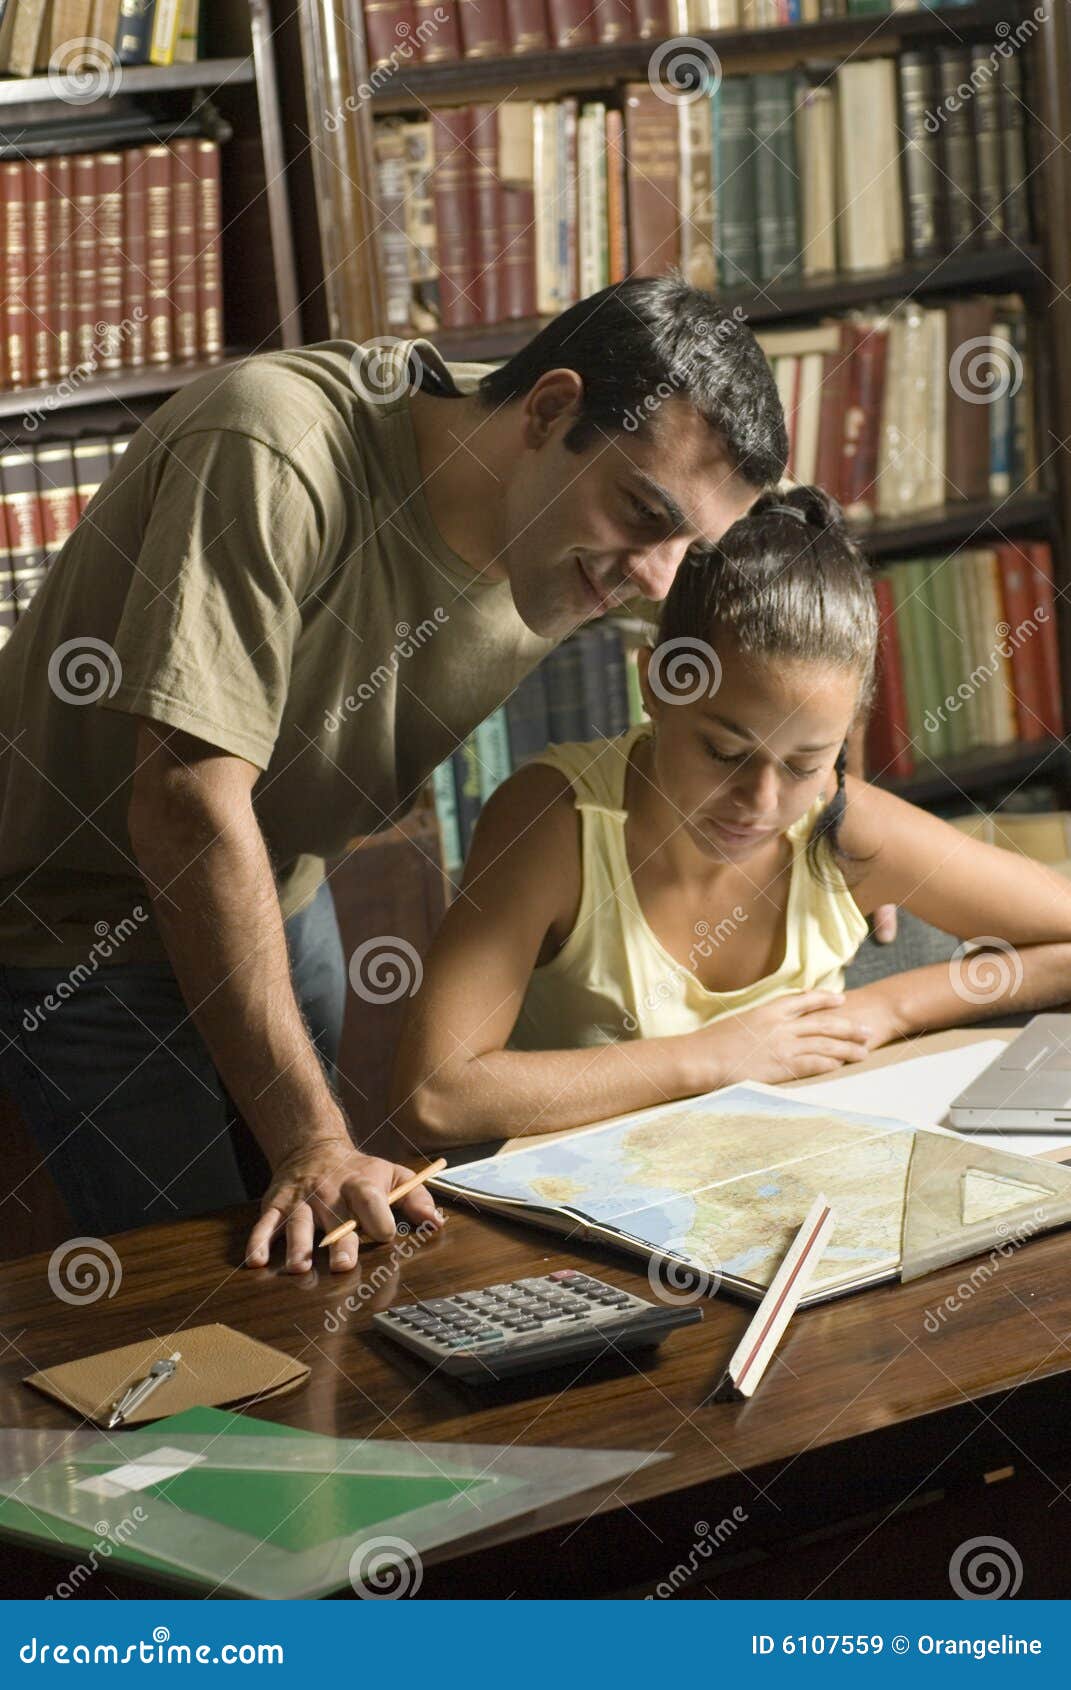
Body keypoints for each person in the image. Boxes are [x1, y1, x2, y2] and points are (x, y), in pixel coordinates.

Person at [0, 276, 783, 1269]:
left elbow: (786, 618)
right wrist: (311, 1140)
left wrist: (825, 836)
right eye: (642, 513)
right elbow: (186, 805)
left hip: (278, 884)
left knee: (322, 1248)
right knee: (204, 1286)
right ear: (548, 411)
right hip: (75, 917)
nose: (657, 579)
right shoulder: (272, 444)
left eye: (689, 545)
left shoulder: (603, 494)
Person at [392, 485, 1071, 1150]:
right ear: (656, 683)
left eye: (805, 764)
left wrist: (887, 1008)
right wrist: (711, 1058)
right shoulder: (554, 821)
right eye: (723, 752)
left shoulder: (844, 825)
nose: (760, 803)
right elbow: (434, 1097)